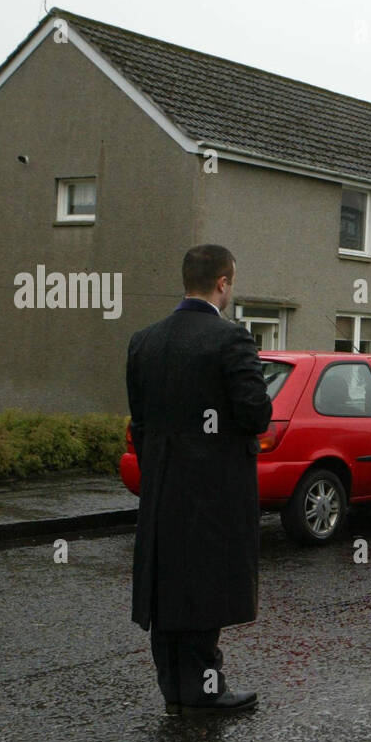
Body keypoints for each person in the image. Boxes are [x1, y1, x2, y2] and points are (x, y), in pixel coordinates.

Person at [126, 245, 272, 715]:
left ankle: (177, 691)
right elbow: (255, 416)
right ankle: (205, 692)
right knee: (206, 587)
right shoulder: (231, 339)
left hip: (162, 485)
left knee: (166, 587)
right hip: (213, 489)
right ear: (223, 283)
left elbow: (141, 422)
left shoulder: (143, 340)